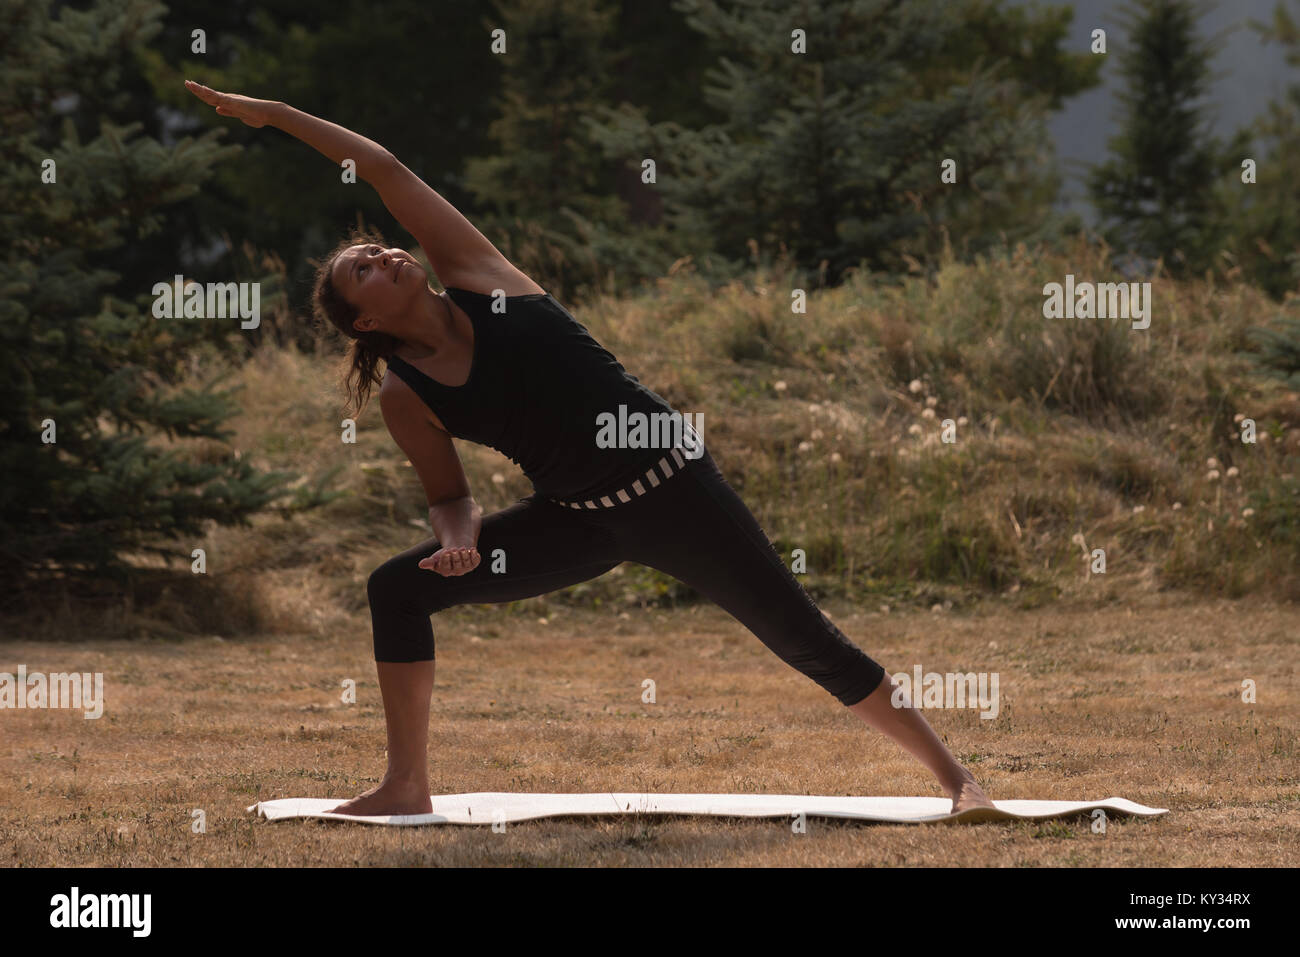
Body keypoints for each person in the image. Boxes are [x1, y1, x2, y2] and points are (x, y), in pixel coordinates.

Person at [185, 80, 995, 819]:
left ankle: (958, 780)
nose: (383, 254)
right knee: (396, 590)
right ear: (363, 319)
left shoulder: (478, 272)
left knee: (804, 639)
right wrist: (460, 543)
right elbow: (449, 495)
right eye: (363, 268)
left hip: (674, 488)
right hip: (576, 521)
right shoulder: (405, 393)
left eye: (377, 248)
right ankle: (406, 783)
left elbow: (383, 166)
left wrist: (277, 117)